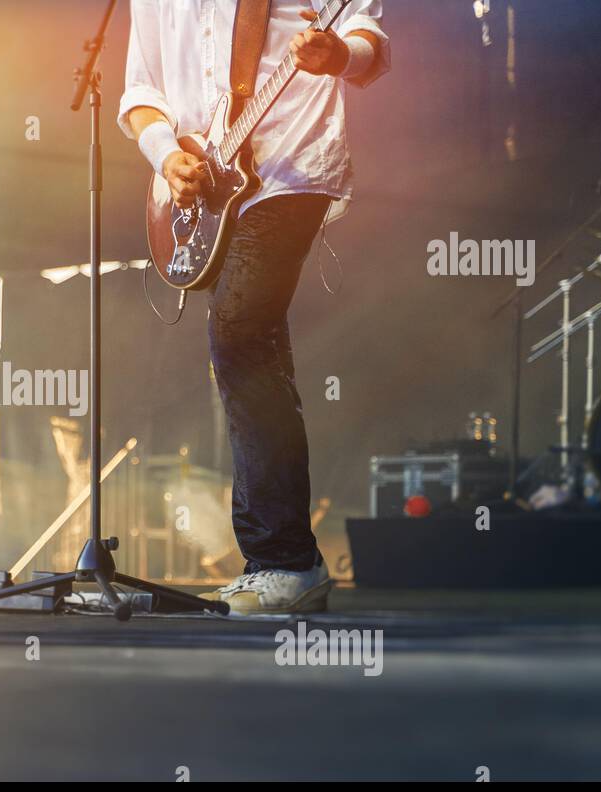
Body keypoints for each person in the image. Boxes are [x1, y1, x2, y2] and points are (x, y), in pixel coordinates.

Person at [119, 0, 389, 613]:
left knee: (238, 334)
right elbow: (141, 90)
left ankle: (283, 560)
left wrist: (339, 55)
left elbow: (369, 40)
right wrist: (167, 156)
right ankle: (290, 562)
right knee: (252, 348)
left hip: (293, 169)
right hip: (209, 180)